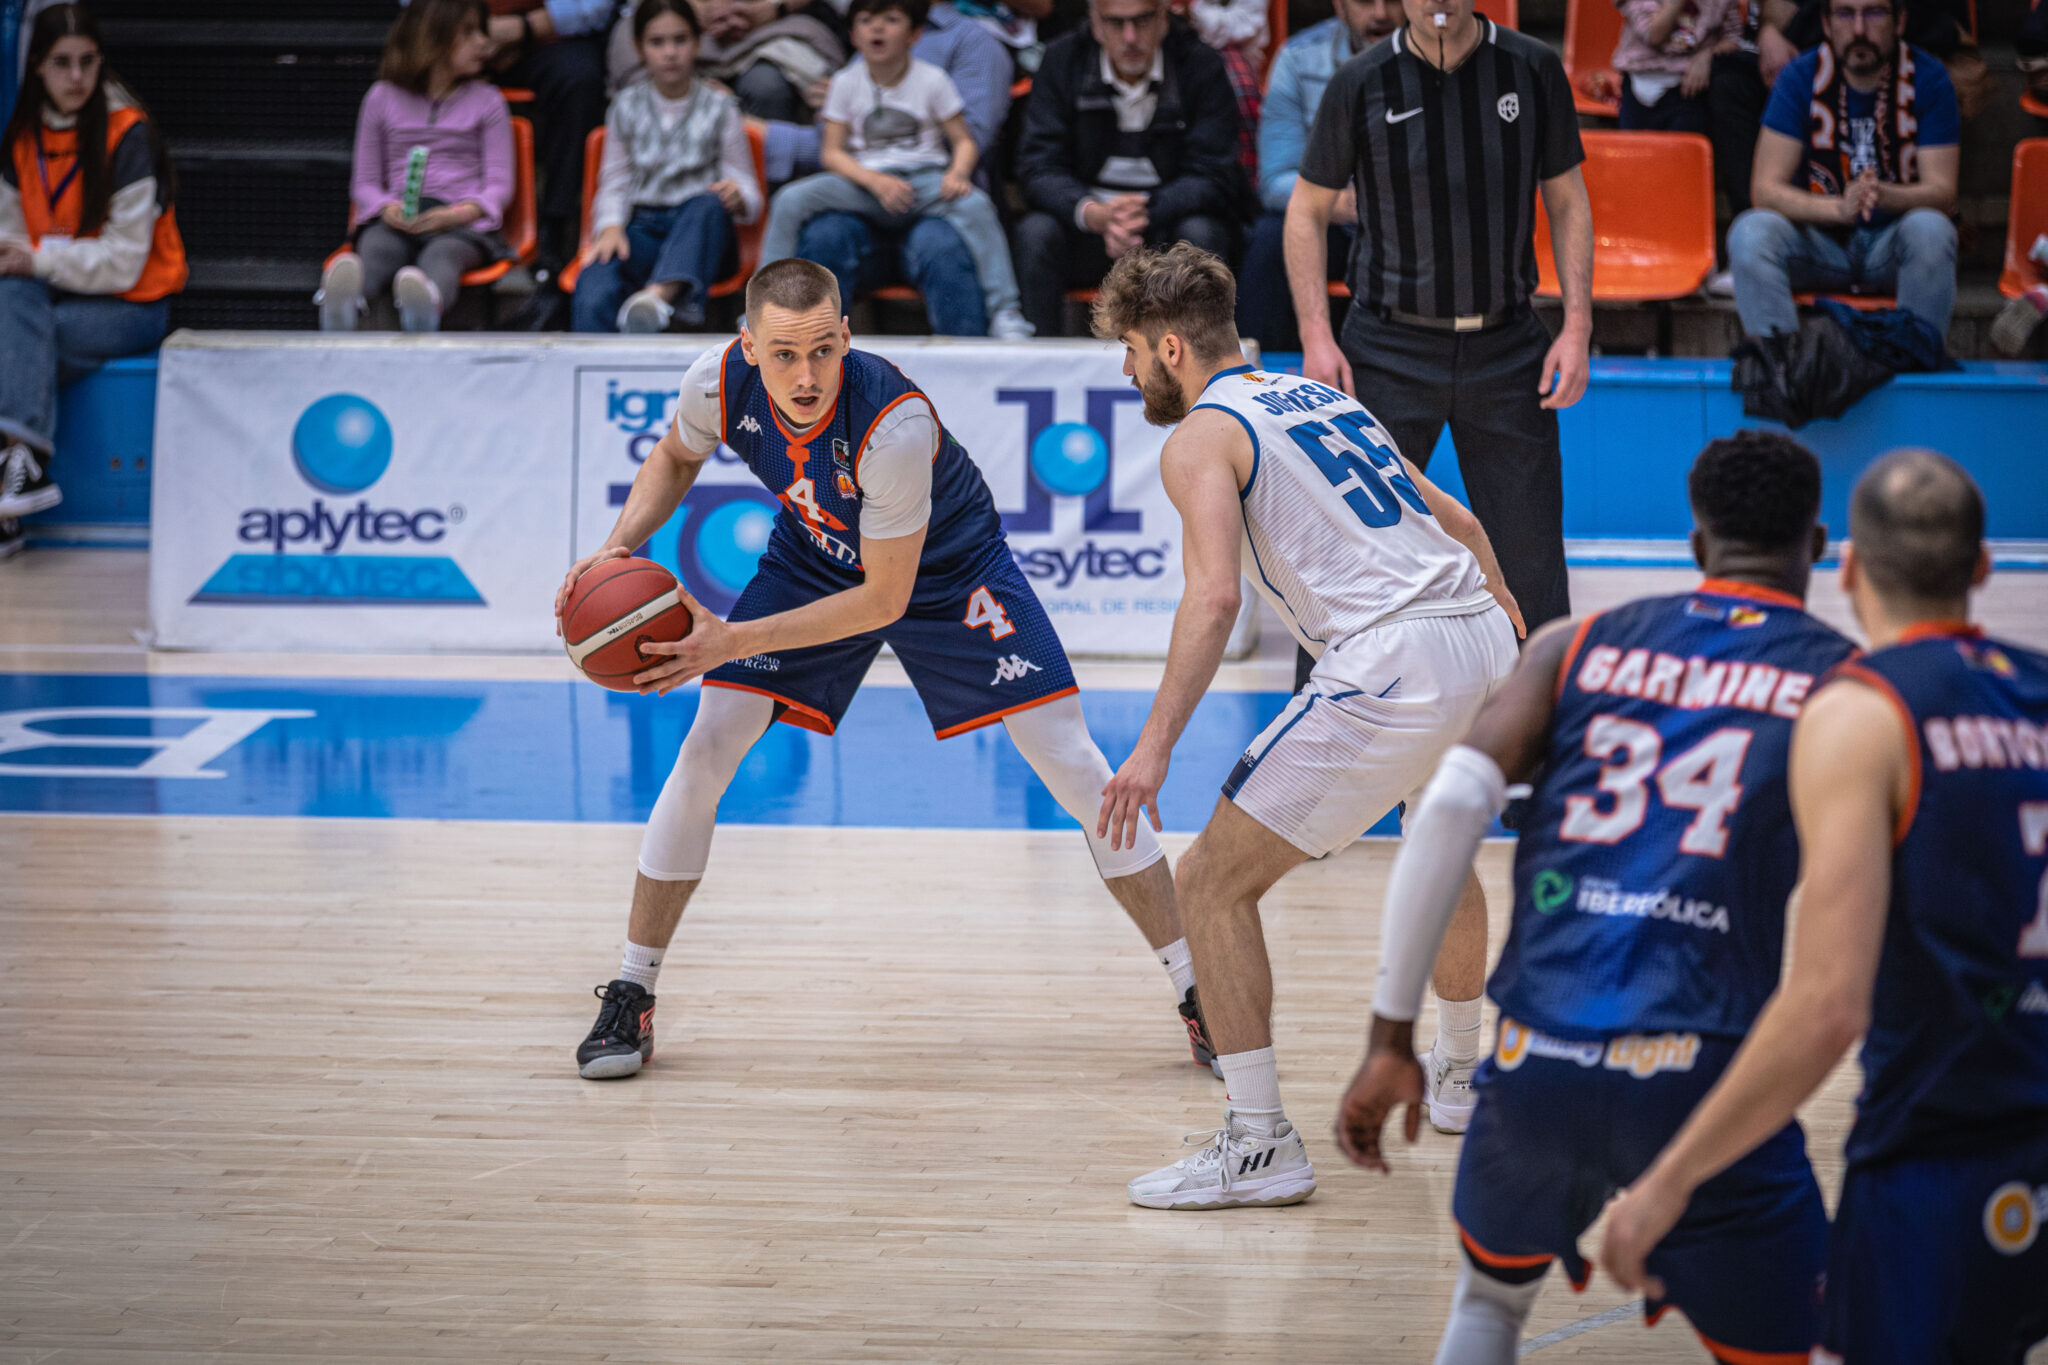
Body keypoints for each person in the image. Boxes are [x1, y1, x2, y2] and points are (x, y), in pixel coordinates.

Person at [559, 258, 1216, 1084]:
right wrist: (617, 549)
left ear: (847, 336)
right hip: (813, 555)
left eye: (823, 350)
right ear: (748, 347)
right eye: (786, 354)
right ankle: (632, 989)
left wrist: (729, 639)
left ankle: (1202, 992)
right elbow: (673, 457)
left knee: (1073, 763)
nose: (807, 375)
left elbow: (883, 600)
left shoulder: (891, 425)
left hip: (949, 569)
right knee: (708, 744)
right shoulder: (716, 382)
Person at [1335, 431, 1854, 1363]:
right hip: (1706, 1076)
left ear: (1696, 546)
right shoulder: (1844, 682)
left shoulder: (1575, 646)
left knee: (1489, 1305)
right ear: (1815, 544)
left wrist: (1389, 1035)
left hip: (1541, 1062)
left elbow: (1451, 800)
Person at [1088, 244, 1524, 1210]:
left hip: (1394, 658)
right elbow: (1455, 517)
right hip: (1480, 632)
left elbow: (1212, 600)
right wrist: (1504, 615)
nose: (1127, 374)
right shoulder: (1326, 397)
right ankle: (1461, 1076)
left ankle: (1257, 1141)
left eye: (1128, 353)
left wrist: (1153, 743)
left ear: (1169, 347)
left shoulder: (1200, 435)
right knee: (1440, 847)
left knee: (1207, 881)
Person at [1600, 450, 2048, 1365]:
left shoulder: (1863, 712)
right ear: (1982, 569)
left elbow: (1826, 1005)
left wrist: (1668, 1183)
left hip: (1937, 1159)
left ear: (1846, 567)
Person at [1285, 0, 1592, 640]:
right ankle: (1320, 726)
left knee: (1532, 564)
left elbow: (1567, 201)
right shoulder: (1359, 80)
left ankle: (1540, 729)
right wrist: (1316, 336)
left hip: (1508, 347)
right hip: (1386, 348)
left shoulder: (1532, 67)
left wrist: (1577, 326)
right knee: (1350, 555)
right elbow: (1305, 211)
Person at [0, 2, 183, 563]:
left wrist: (38, 262)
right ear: (36, 67)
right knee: (12, 302)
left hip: (132, 305)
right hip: (46, 300)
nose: (76, 77)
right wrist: (30, 264)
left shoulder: (129, 134)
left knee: (21, 336)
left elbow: (125, 264)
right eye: (62, 63)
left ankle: (18, 472)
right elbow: (10, 252)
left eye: (88, 62)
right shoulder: (21, 138)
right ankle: (16, 478)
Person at [759, 0, 1031, 338]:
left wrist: (958, 174)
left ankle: (1006, 313)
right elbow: (831, 152)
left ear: (915, 34)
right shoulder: (844, 82)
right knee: (789, 200)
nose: (877, 28)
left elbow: (965, 140)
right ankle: (762, 310)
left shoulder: (934, 79)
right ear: (853, 35)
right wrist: (874, 181)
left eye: (890, 20)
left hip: (924, 183)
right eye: (866, 20)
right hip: (864, 187)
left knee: (977, 206)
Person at [1010, 0, 1251, 338]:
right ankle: (1037, 362)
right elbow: (1037, 165)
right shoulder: (1062, 60)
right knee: (1035, 233)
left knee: (1204, 234)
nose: (1130, 37)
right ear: (1095, 24)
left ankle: (1204, 363)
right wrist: (1092, 213)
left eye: (1142, 21)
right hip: (1087, 230)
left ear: (1164, 19)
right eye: (1115, 23)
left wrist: (1147, 211)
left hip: (1165, 229)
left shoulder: (1200, 64)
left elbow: (1214, 172)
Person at [1727, 0, 1959, 339]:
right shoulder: (1799, 76)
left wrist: (1883, 195)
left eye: (1875, 13)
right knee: (1750, 233)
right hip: (1820, 246)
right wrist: (1839, 208)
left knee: (1932, 230)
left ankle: (1914, 362)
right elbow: (1765, 190)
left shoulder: (1929, 78)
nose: (1860, 30)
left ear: (1900, 21)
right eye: (1846, 14)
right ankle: (1781, 374)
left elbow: (1942, 192)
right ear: (1826, 23)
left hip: (1891, 246)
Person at [322, 0, 513, 333]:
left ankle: (426, 306)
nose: (484, 42)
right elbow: (365, 183)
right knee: (377, 249)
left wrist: (460, 213)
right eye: (469, 32)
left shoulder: (489, 101)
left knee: (443, 256)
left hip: (460, 225)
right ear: (430, 37)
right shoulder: (380, 97)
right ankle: (343, 304)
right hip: (395, 219)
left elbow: (499, 185)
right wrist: (386, 209)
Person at [571, 0, 761, 333]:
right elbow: (614, 180)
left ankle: (657, 298)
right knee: (594, 283)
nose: (670, 52)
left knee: (708, 204)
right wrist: (610, 226)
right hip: (642, 228)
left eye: (680, 40)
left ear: (697, 43)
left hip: (703, 234)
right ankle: (598, 375)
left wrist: (738, 196)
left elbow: (750, 193)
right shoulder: (624, 107)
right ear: (639, 48)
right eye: (657, 43)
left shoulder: (721, 107)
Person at [1236, 0, 1400, 354]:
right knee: (1269, 239)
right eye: (1365, 2)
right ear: (1339, 6)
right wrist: (1343, 203)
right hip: (1336, 220)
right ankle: (1256, 380)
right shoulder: (1299, 59)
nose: (1382, 14)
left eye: (1395, 0)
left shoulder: (1442, 62)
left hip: (1413, 221)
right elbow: (1275, 181)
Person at [475, 1, 615, 271]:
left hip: (553, 37)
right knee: (420, 63)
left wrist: (524, 30)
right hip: (458, 34)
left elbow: (596, 7)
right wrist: (467, 32)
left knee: (579, 79)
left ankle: (557, 224)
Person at [1613, 0, 1745, 133]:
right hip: (1638, 87)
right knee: (1636, 150)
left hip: (1688, 88)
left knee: (1682, 148)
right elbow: (1653, 35)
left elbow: (1733, 38)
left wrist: (1707, 54)